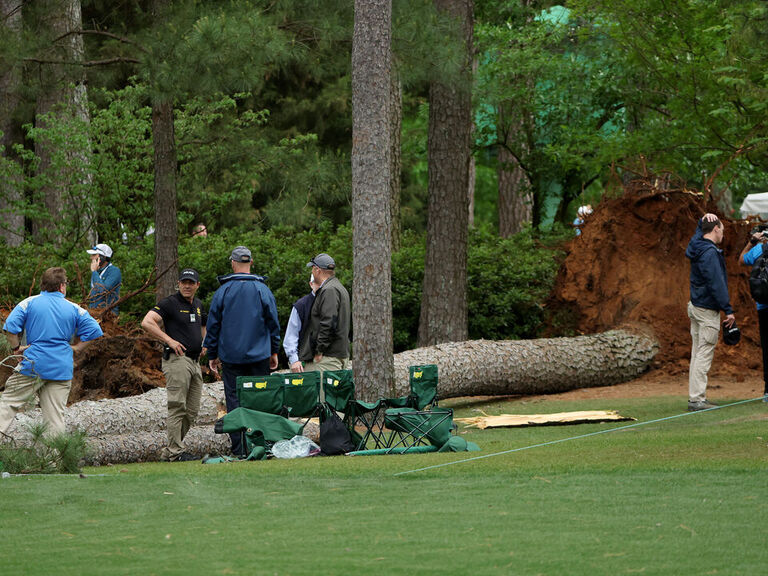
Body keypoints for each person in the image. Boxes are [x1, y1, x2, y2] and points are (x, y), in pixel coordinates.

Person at [1, 267, 103, 437]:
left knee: (7, 404)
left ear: (43, 285)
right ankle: (52, 462)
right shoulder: (74, 308)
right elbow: (95, 330)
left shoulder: (29, 303)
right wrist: (78, 348)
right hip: (61, 368)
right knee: (54, 418)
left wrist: (16, 349)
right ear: (62, 286)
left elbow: (10, 328)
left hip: (33, 365)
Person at [203, 246, 280, 455]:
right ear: (251, 263)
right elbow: (273, 323)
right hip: (259, 356)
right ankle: (262, 446)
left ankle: (240, 448)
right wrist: (274, 351)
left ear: (232, 263)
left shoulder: (224, 291)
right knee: (261, 400)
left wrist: (212, 354)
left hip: (232, 357)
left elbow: (213, 325)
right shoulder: (262, 289)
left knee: (235, 402)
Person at [141, 268, 207, 461]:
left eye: (191, 283)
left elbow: (203, 325)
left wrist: (205, 344)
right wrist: (169, 340)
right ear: (178, 284)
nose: (187, 286)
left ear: (197, 285)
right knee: (178, 406)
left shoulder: (198, 304)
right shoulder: (170, 303)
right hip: (177, 360)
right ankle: (175, 452)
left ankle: (171, 449)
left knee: (192, 410)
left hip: (195, 362)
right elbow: (147, 322)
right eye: (184, 282)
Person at [685, 214, 735, 411]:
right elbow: (717, 283)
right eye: (721, 229)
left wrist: (701, 222)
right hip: (706, 310)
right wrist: (728, 309)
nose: (723, 233)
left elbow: (696, 236)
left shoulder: (696, 247)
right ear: (715, 229)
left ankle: (695, 397)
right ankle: (697, 400)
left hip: (695, 306)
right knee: (704, 353)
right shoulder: (710, 253)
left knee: (697, 353)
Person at [299, 253, 351, 372]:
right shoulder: (339, 287)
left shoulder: (329, 290)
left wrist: (319, 350)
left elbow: (329, 322)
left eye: (312, 269)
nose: (312, 273)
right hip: (336, 354)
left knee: (322, 391)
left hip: (327, 358)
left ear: (317, 270)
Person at [739, 228, 768, 402]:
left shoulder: (760, 249)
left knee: (767, 348)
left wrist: (753, 241)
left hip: (763, 306)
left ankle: (767, 391)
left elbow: (741, 259)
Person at [283, 275, 321, 373]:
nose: (320, 286)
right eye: (316, 283)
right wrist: (294, 360)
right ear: (311, 284)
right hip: (304, 363)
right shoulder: (301, 305)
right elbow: (291, 336)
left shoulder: (332, 301)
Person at [87, 243, 122, 313]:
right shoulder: (97, 272)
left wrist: (94, 272)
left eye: (94, 255)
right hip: (94, 313)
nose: (91, 258)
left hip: (108, 315)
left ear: (102, 257)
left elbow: (102, 291)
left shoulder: (114, 271)